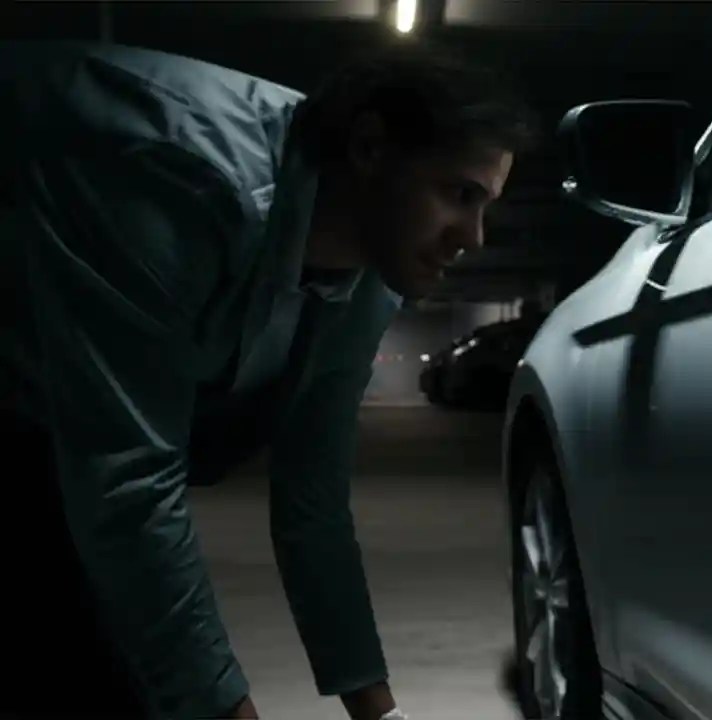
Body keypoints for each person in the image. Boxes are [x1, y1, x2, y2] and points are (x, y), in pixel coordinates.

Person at [0, 38, 537, 719]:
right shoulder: (182, 180)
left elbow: (311, 495)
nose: (475, 236)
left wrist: (379, 712)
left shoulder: (371, 275)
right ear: (370, 149)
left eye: (486, 204)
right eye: (460, 194)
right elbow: (130, 479)